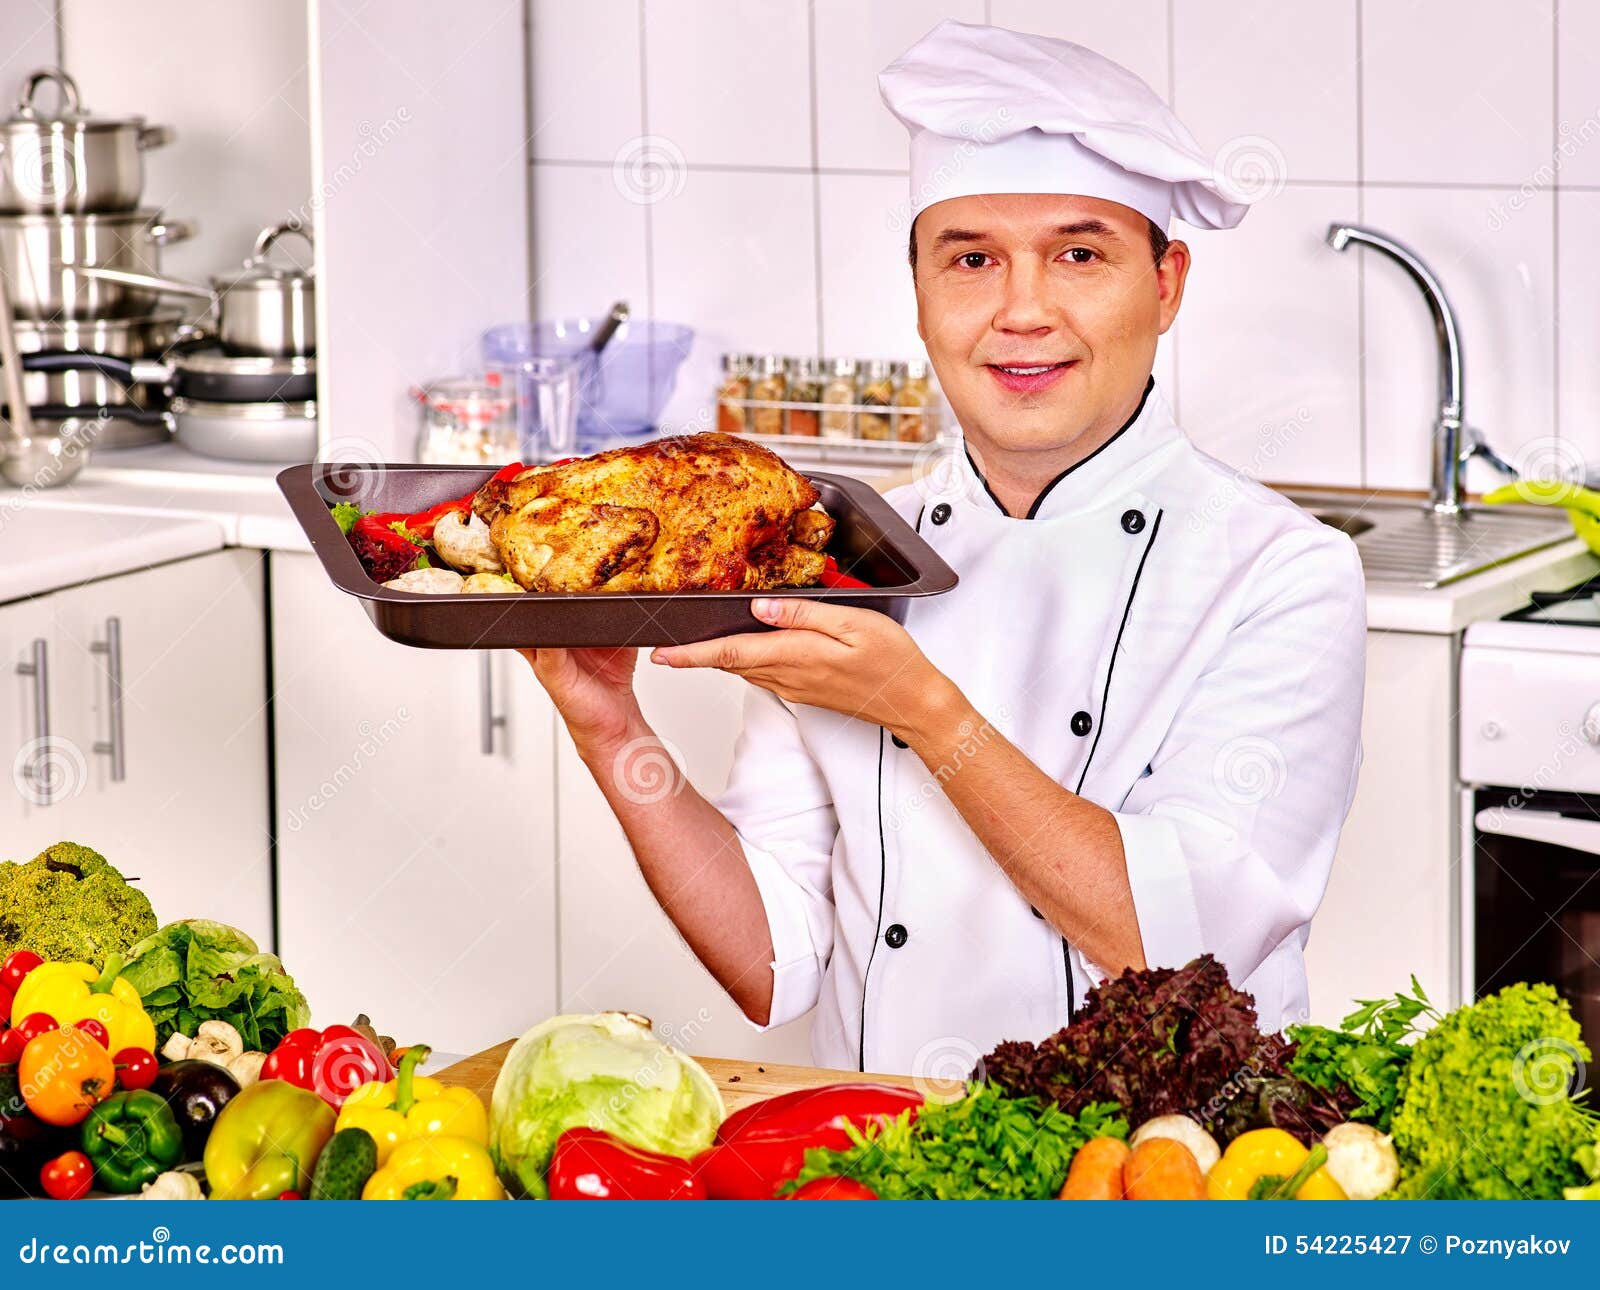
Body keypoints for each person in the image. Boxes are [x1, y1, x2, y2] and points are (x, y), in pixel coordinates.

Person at [523, 21, 1366, 1074]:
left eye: (1078, 255)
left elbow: (1171, 944)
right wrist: (610, 730)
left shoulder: (1280, 575)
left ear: (1166, 285)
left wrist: (921, 709)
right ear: (918, 291)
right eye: (971, 259)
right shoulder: (839, 555)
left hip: (1152, 1175)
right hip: (885, 1163)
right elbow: (770, 961)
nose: (1020, 312)